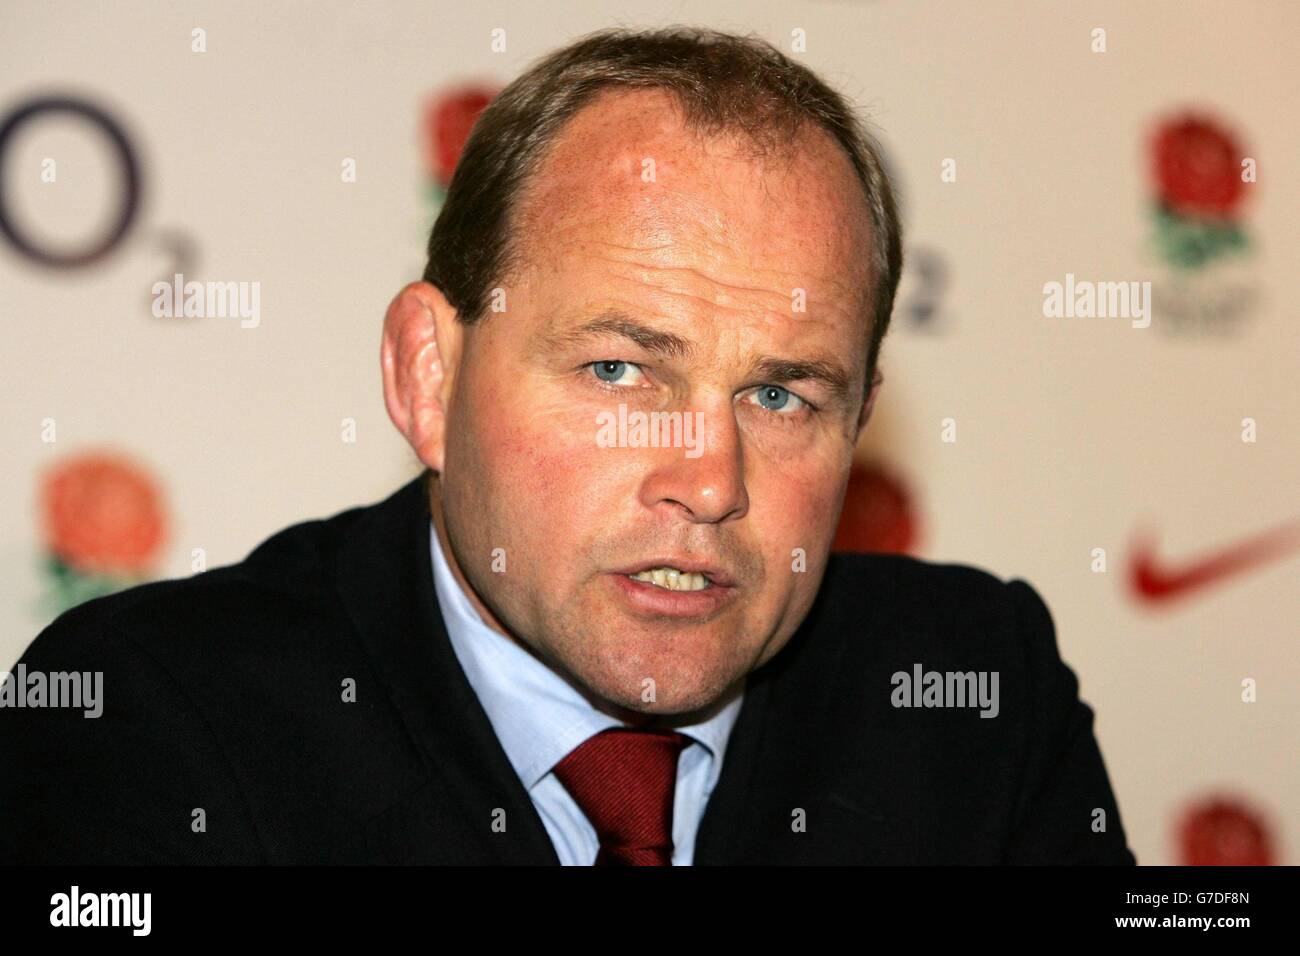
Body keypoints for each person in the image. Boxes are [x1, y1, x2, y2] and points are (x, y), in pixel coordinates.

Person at [0, 26, 1135, 865]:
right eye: (619, 369)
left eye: (783, 395)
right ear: (426, 376)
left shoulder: (974, 694)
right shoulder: (147, 718)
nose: (708, 479)